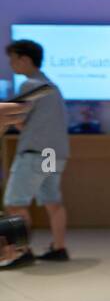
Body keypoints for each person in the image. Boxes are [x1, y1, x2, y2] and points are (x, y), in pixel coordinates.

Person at [2, 40, 70, 268]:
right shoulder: (52, 86)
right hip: (53, 153)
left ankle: (22, 252)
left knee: (15, 203)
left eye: (12, 59)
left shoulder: (29, 85)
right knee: (53, 201)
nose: (11, 64)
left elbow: (17, 119)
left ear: (25, 59)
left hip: (34, 153)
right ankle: (59, 247)